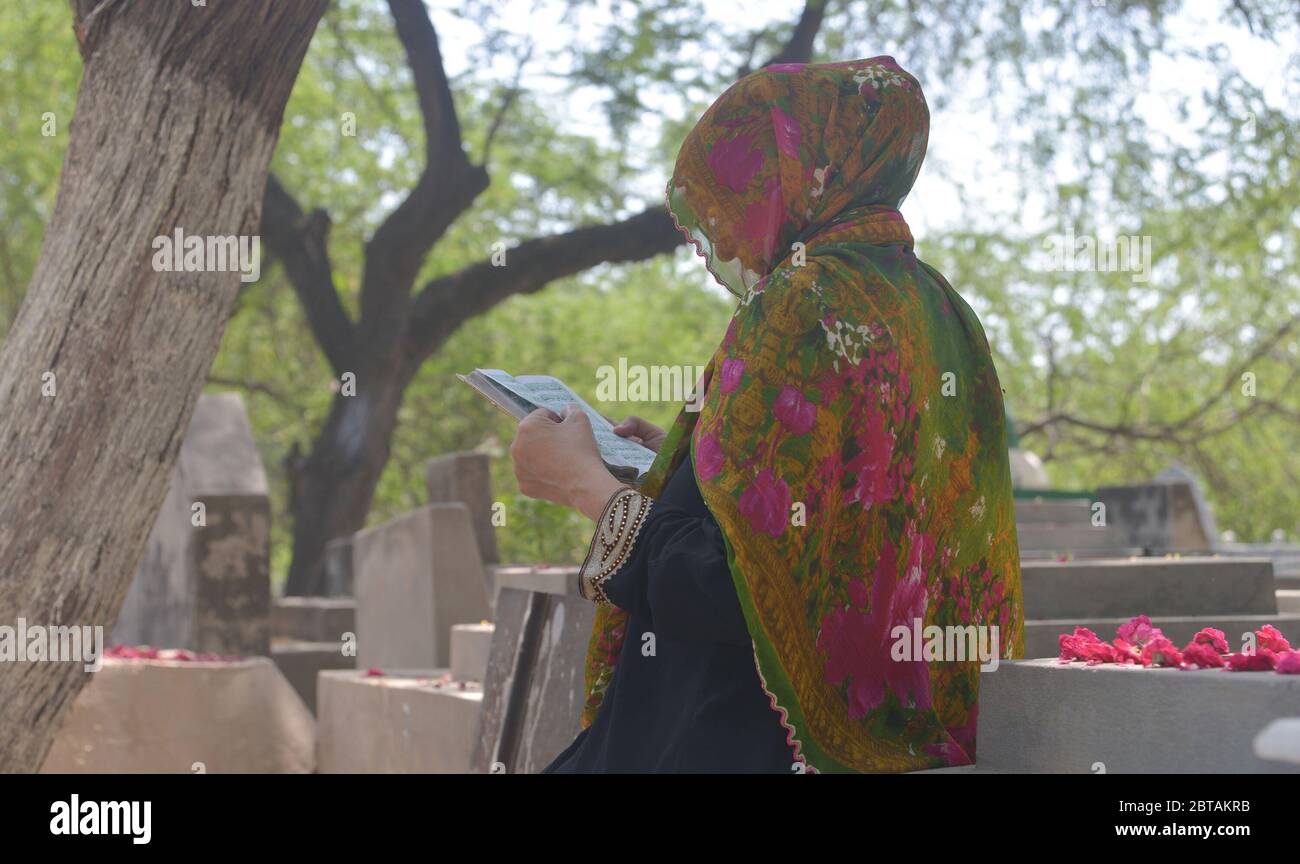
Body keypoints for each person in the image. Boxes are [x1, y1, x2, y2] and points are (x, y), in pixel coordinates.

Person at [510, 56, 1023, 774]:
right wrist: (695, 463)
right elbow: (839, 510)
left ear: (799, 179)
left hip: (742, 737)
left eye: (743, 190)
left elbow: (730, 590)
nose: (723, 233)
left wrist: (586, 490)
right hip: (883, 726)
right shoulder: (938, 309)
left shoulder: (801, 300)